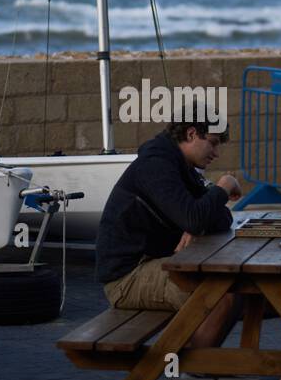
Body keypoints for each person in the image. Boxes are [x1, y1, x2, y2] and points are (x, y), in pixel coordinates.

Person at [95, 119, 243, 347]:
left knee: (232, 288)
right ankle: (193, 371)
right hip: (127, 277)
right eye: (213, 143)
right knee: (222, 295)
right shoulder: (155, 165)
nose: (216, 153)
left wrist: (194, 221)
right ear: (192, 133)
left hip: (159, 262)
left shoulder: (181, 167)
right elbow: (195, 217)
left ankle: (201, 365)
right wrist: (225, 185)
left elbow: (221, 218)